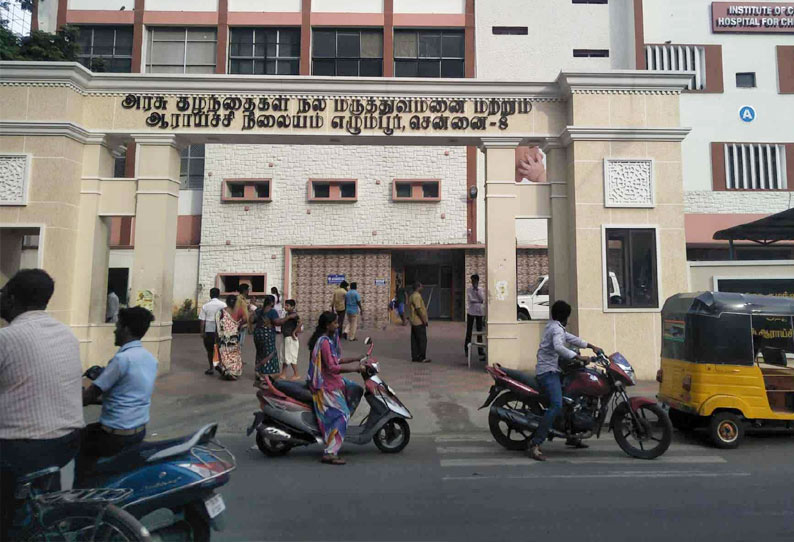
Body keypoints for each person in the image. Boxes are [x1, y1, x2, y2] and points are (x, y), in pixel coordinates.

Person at [0, 269, 84, 540]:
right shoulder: (66, 334)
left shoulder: (6, 339)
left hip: (21, 449)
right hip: (65, 444)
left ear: (11, 299)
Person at [79, 307, 157, 482]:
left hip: (114, 435)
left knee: (78, 443)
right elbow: (126, 396)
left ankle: (81, 495)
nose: (115, 330)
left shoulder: (121, 360)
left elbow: (89, 396)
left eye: (118, 326)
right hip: (138, 431)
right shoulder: (150, 359)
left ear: (126, 329)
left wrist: (75, 396)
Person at [527, 300, 603, 462]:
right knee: (557, 404)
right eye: (567, 316)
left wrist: (592, 346)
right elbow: (559, 347)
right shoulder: (555, 329)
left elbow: (572, 338)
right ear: (563, 316)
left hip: (554, 369)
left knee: (572, 399)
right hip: (548, 372)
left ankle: (572, 435)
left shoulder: (556, 327)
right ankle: (536, 443)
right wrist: (578, 356)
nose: (568, 318)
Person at [307, 311, 366, 465]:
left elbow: (335, 360)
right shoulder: (325, 342)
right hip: (325, 386)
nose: (338, 325)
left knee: (352, 387)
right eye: (335, 323)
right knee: (343, 415)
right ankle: (330, 452)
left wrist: (355, 358)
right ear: (328, 325)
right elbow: (333, 367)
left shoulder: (326, 340)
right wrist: (355, 369)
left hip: (331, 382)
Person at [251, 295, 295, 380]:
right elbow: (277, 322)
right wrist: (288, 317)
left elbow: (252, 320)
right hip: (267, 335)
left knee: (260, 352)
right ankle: (265, 373)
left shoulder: (259, 310)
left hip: (257, 334)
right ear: (271, 303)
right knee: (270, 353)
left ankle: (258, 371)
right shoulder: (272, 311)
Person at [214, 295, 243, 380]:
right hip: (234, 338)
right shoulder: (238, 312)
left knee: (225, 355)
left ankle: (228, 371)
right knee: (234, 355)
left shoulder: (221, 312)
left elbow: (218, 326)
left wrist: (217, 337)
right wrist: (239, 326)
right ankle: (234, 372)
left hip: (224, 339)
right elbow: (245, 319)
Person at [199, 287, 225, 375]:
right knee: (220, 348)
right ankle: (219, 364)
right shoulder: (223, 305)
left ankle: (211, 368)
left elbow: (203, 320)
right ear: (219, 294)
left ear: (210, 294)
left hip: (209, 329)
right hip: (220, 329)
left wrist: (202, 332)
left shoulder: (205, 306)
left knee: (210, 350)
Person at [279, 299, 302, 380]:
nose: (285, 307)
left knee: (290, 356)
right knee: (285, 356)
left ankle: (296, 373)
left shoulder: (294, 315)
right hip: (286, 337)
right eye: (285, 305)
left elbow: (300, 323)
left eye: (287, 305)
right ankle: (283, 373)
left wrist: (294, 332)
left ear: (292, 307)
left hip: (290, 338)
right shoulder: (287, 314)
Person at [408, 282, 430, 363]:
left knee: (414, 340)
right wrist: (424, 320)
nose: (422, 287)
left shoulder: (411, 296)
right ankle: (422, 357)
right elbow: (418, 309)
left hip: (413, 321)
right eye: (421, 286)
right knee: (422, 340)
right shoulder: (417, 296)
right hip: (419, 321)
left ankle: (415, 356)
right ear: (418, 287)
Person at [464, 274, 485, 359]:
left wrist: (476, 291)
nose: (473, 283)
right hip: (471, 311)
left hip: (479, 312)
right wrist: (478, 300)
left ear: (477, 281)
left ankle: (480, 350)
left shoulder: (480, 289)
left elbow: (482, 299)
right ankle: (466, 349)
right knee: (469, 331)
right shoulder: (469, 289)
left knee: (479, 330)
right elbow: (470, 300)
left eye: (474, 281)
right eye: (472, 281)